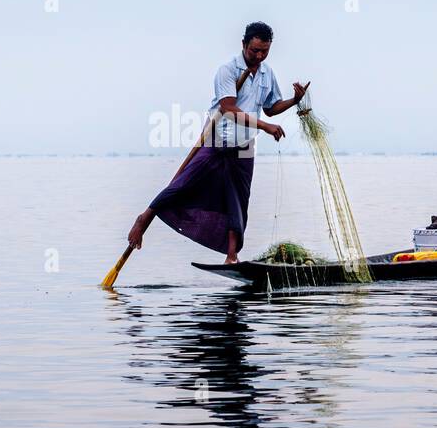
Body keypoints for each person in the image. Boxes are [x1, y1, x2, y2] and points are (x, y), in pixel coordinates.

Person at [126, 22, 308, 263]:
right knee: (183, 185)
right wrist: (264, 126)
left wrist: (294, 100)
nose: (259, 56)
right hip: (216, 139)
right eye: (255, 50)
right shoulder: (228, 71)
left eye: (265, 51)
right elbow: (229, 109)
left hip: (244, 146)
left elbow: (271, 108)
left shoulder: (267, 74)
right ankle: (145, 218)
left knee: (238, 200)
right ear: (244, 45)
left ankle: (231, 256)